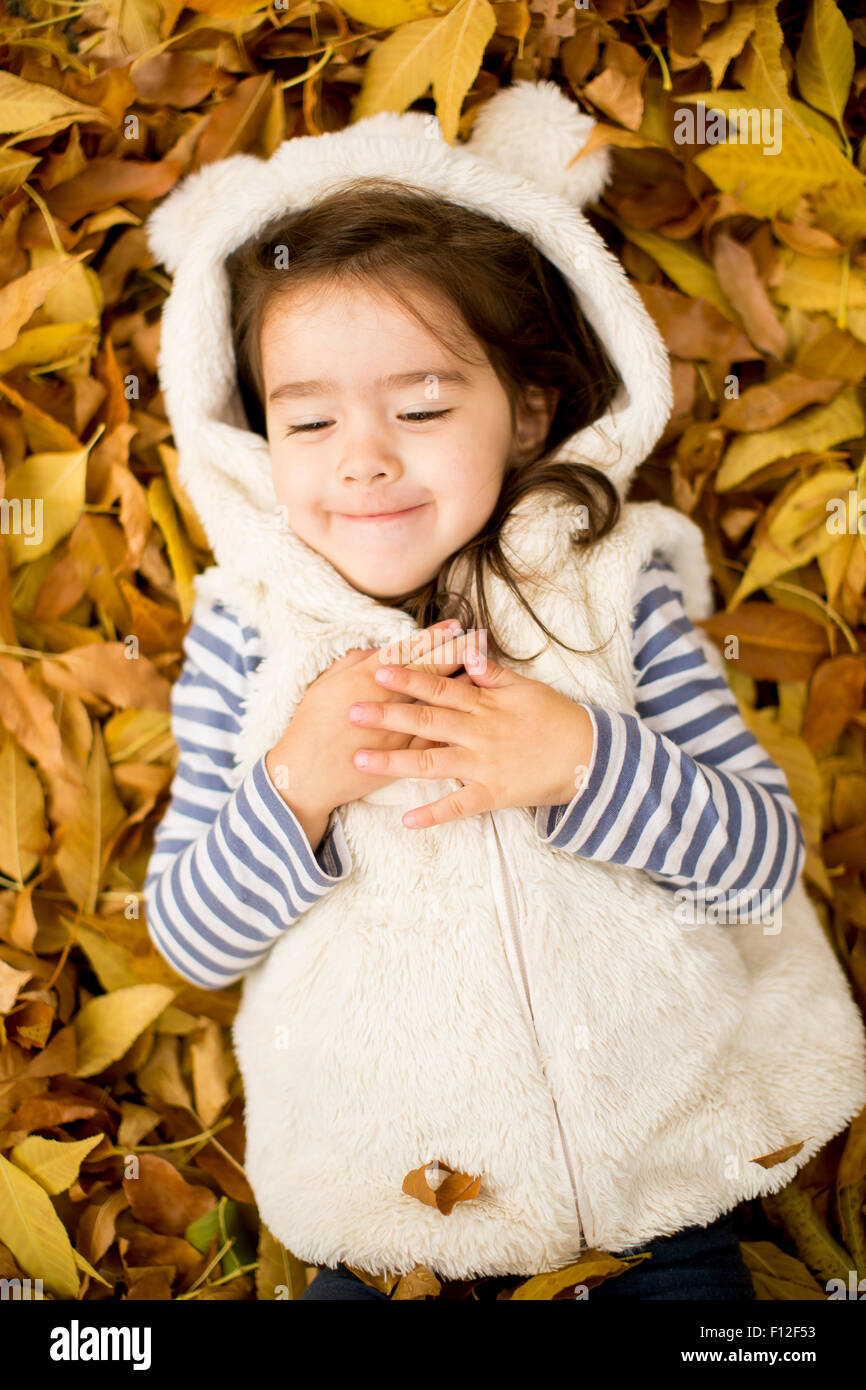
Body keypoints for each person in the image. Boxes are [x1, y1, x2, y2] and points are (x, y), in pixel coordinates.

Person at [143, 80, 866, 1301]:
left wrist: (584, 759)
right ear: (255, 439)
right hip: (387, 1237)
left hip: (652, 1209)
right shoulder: (246, 636)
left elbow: (756, 864)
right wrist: (296, 783)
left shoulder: (608, 591)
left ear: (525, 412)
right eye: (308, 423)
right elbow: (188, 937)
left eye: (422, 405)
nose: (364, 457)